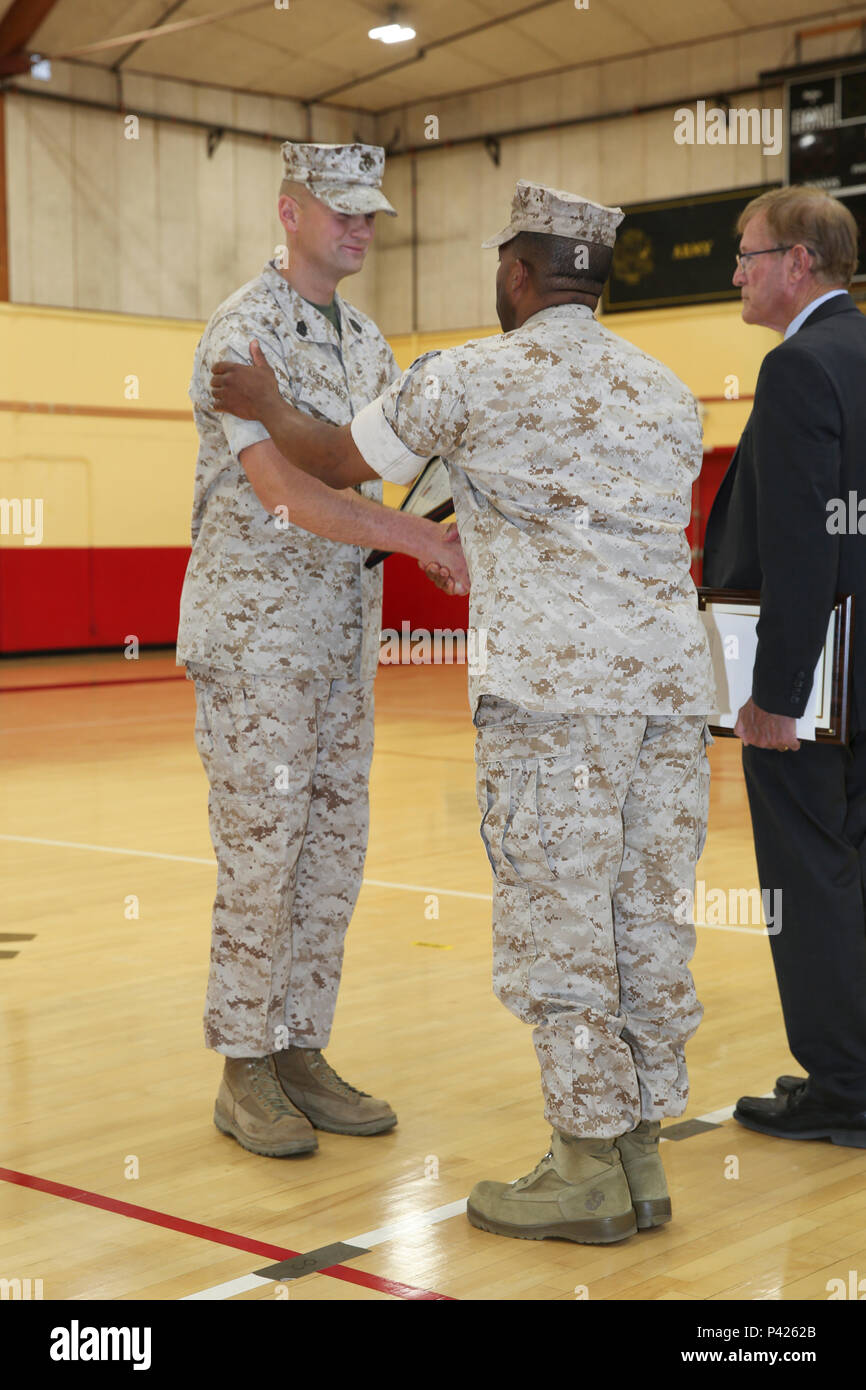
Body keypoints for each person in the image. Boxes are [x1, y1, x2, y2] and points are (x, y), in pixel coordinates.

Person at [209, 179, 715, 1243]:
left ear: (515, 272)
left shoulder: (470, 379)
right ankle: (635, 1151)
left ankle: (581, 1164)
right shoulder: (668, 391)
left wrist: (262, 405)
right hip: (671, 695)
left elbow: (338, 459)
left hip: (554, 700)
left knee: (559, 919)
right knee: (644, 915)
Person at [176, 141, 468, 1159]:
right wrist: (419, 540)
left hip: (339, 642)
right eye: (337, 209)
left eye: (370, 213)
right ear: (288, 211)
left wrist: (447, 512)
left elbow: (379, 463)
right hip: (257, 643)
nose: (359, 227)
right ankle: (242, 1069)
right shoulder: (240, 332)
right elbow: (287, 494)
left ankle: (300, 1047)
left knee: (331, 854)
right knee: (262, 856)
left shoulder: (368, 342)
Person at [702, 185, 866, 1147]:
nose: (737, 272)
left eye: (747, 254)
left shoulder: (802, 365)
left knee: (807, 881)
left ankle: (842, 1090)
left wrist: (777, 695)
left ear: (798, 261)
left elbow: (805, 544)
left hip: (816, 682)